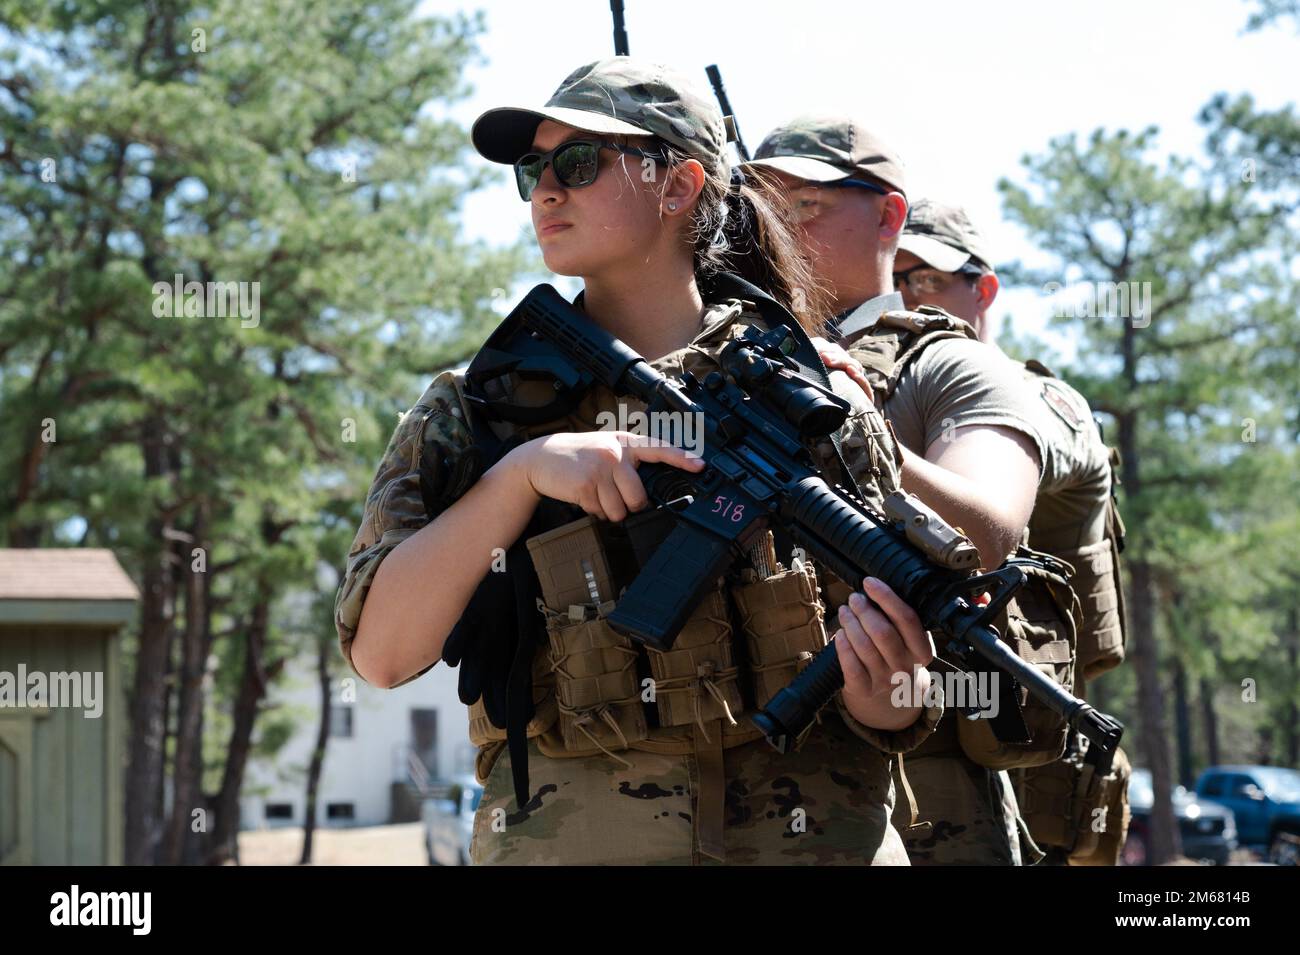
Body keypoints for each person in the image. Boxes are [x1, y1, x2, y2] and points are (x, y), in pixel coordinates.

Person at [334, 59, 943, 866]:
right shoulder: (479, 409)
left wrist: (891, 692)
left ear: (678, 185)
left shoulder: (811, 391)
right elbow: (381, 653)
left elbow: (907, 698)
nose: (547, 190)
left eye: (579, 162)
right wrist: (520, 476)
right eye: (533, 171)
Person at [745, 118, 1063, 866]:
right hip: (765, 779)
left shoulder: (947, 362)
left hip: (934, 795)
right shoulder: (734, 352)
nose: (778, 226)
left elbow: (989, 532)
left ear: (890, 214)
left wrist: (860, 430)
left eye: (808, 203)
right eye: (763, 204)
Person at [891, 198, 1132, 866]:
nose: (906, 297)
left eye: (926, 278)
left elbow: (990, 503)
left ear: (984, 289)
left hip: (1027, 747)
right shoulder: (896, 385)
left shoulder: (1036, 402)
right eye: (894, 276)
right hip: (918, 735)